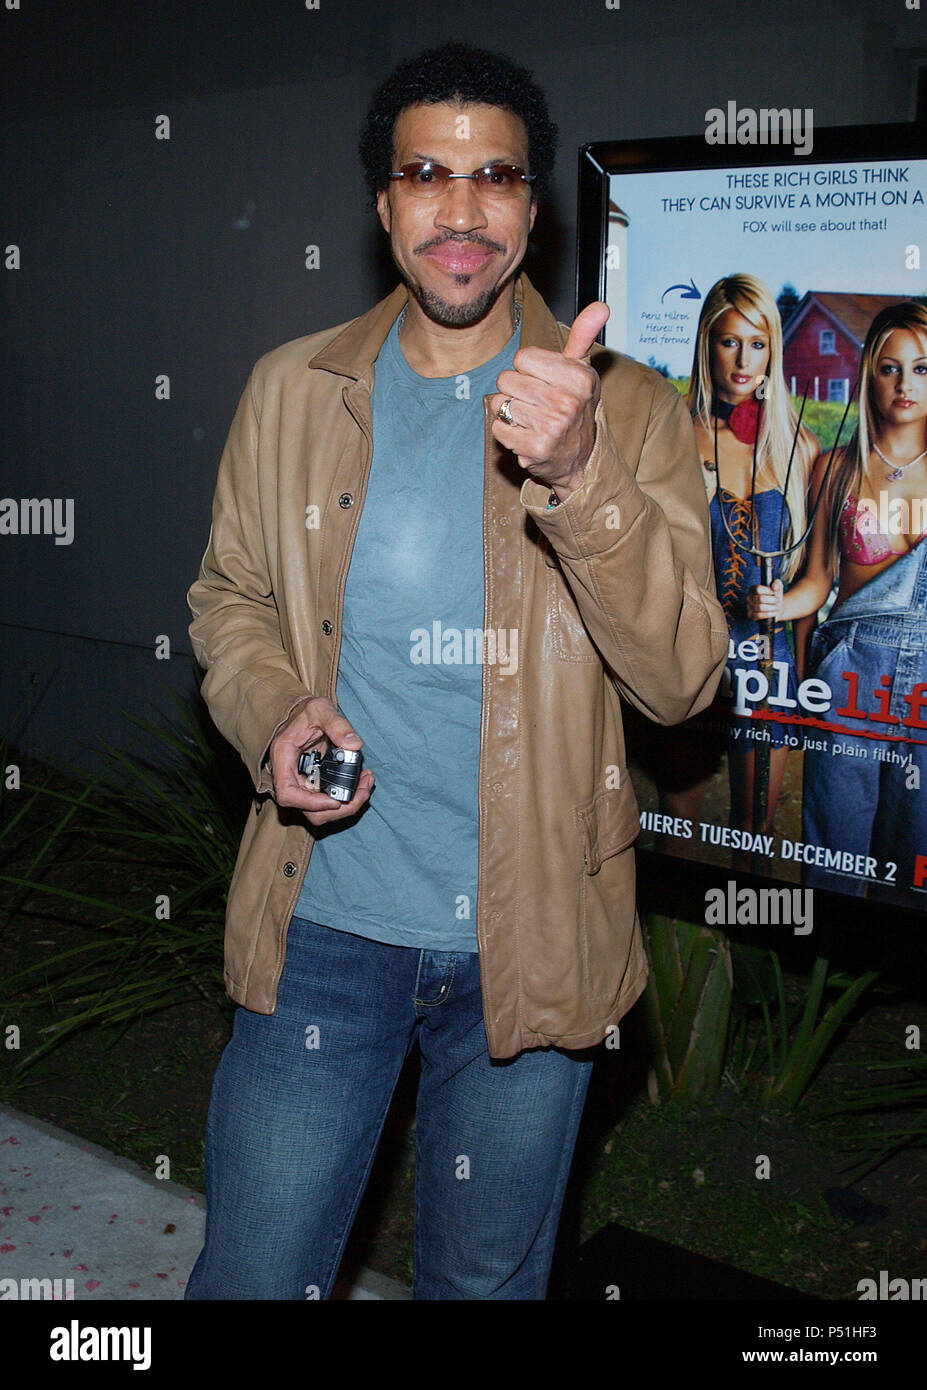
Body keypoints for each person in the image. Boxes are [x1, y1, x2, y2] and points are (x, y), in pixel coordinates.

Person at [183, 42, 727, 1301]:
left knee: (485, 1285)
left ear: (535, 211)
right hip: (324, 923)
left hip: (533, 947)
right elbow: (233, 601)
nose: (463, 211)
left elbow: (685, 678)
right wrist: (275, 712)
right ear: (383, 205)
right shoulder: (291, 390)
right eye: (428, 174)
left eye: (497, 178)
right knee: (257, 1276)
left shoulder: (629, 410)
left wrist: (585, 475)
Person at [752, 300, 927, 902]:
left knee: (917, 847)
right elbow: (820, 580)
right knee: (836, 845)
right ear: (868, 375)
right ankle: (823, 974)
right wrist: (780, 605)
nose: (905, 384)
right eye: (889, 367)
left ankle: (896, 983)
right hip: (850, 672)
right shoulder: (837, 469)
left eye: (923, 368)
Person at [657, 275, 818, 853]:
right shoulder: (670, 428)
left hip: (769, 661)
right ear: (707, 345)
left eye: (757, 343)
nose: (743, 360)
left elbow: (812, 579)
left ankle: (749, 937)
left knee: (759, 833)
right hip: (691, 653)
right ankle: (677, 944)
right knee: (680, 827)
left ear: (773, 348)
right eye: (729, 342)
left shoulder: (799, 448)